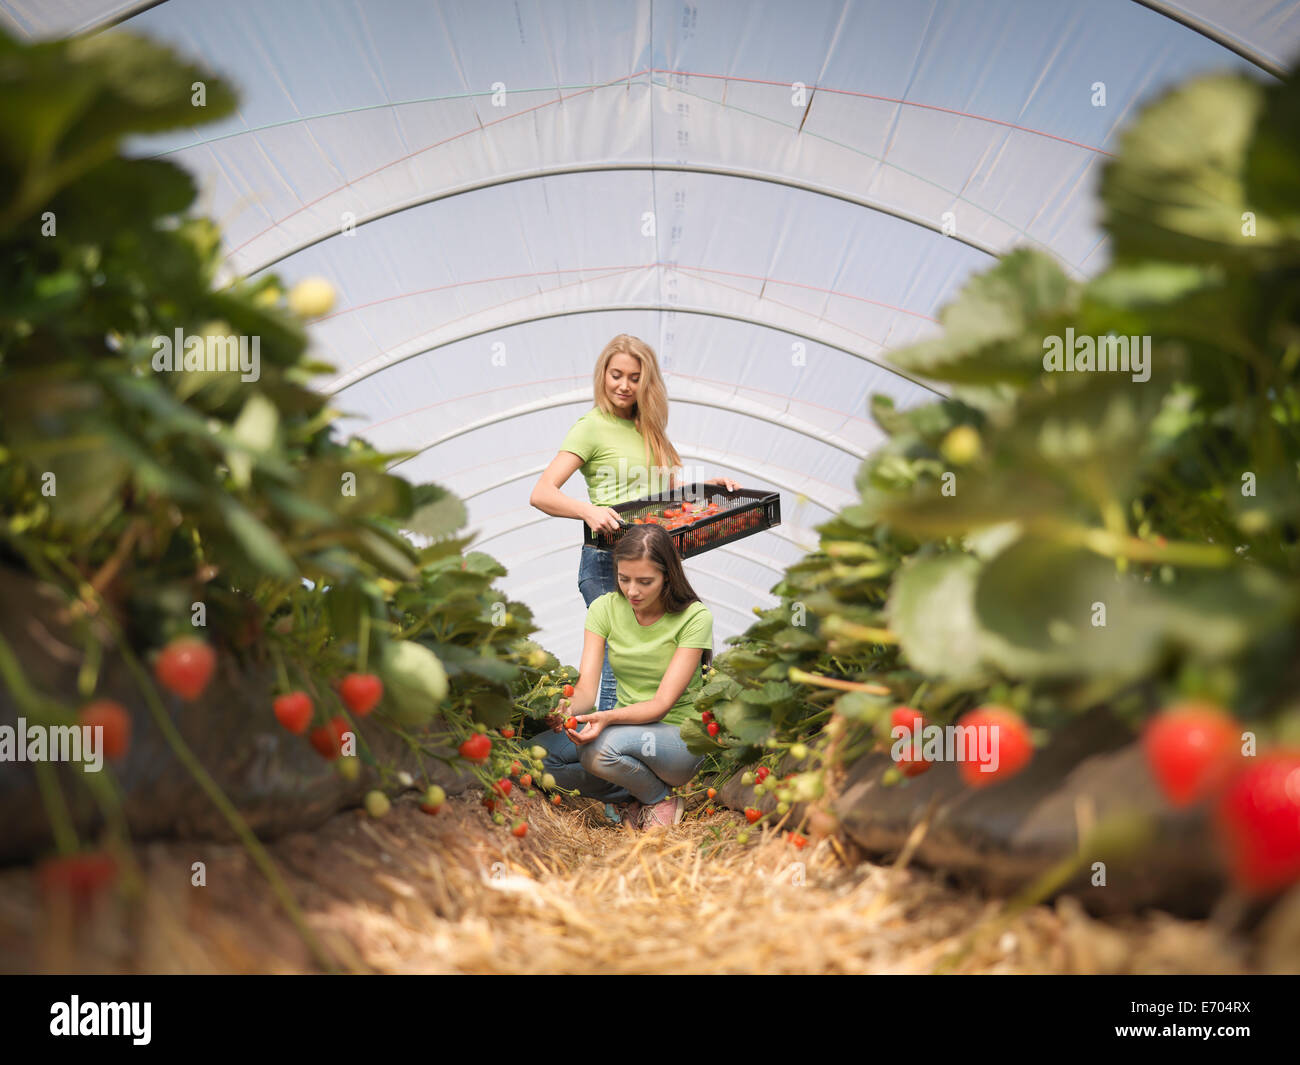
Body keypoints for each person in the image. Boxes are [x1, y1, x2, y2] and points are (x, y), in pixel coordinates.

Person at [528, 333, 737, 819]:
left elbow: (656, 500)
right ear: (603, 375)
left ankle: (628, 787)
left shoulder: (651, 432)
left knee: (635, 684)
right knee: (607, 686)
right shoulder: (591, 427)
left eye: (635, 377)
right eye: (616, 374)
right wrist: (587, 509)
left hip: (648, 556)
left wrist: (709, 488)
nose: (624, 384)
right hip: (608, 564)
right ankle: (628, 795)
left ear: (648, 382)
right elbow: (542, 492)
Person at [529, 523, 716, 829]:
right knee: (533, 757)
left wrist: (608, 718)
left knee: (598, 749)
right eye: (624, 578)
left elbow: (661, 704)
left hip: (678, 741)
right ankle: (630, 794)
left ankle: (660, 799)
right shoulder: (604, 609)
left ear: (667, 576)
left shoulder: (694, 617)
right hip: (623, 730)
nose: (632, 591)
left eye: (645, 581)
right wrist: (567, 709)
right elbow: (587, 690)